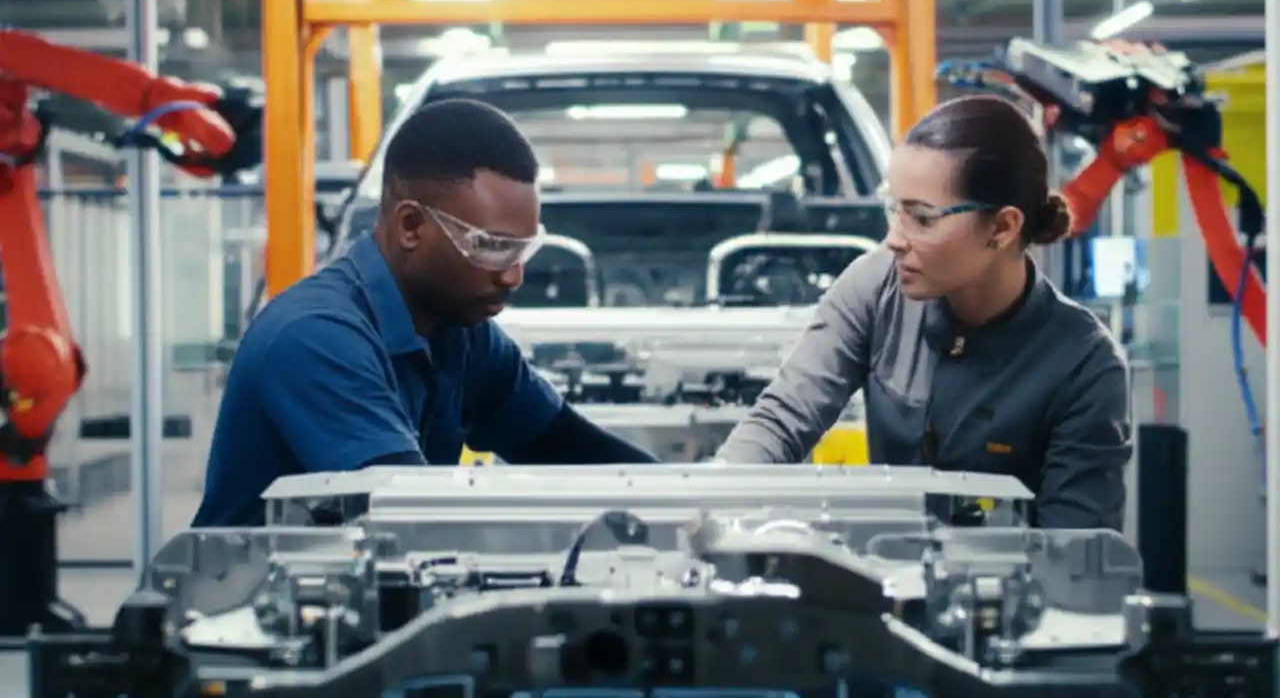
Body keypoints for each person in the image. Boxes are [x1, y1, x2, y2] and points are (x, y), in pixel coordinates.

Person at [193, 98, 658, 527]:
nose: (513, 276)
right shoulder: (315, 337)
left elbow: (567, 448)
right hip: (244, 608)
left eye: (523, 249)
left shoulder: (461, 333)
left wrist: (693, 500)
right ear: (411, 226)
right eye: (492, 247)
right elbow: (415, 516)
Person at [713, 95, 1131, 531]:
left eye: (922, 219)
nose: (894, 239)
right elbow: (784, 418)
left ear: (1003, 227)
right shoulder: (876, 287)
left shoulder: (1084, 367)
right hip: (887, 580)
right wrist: (712, 503)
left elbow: (1076, 550)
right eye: (895, 210)